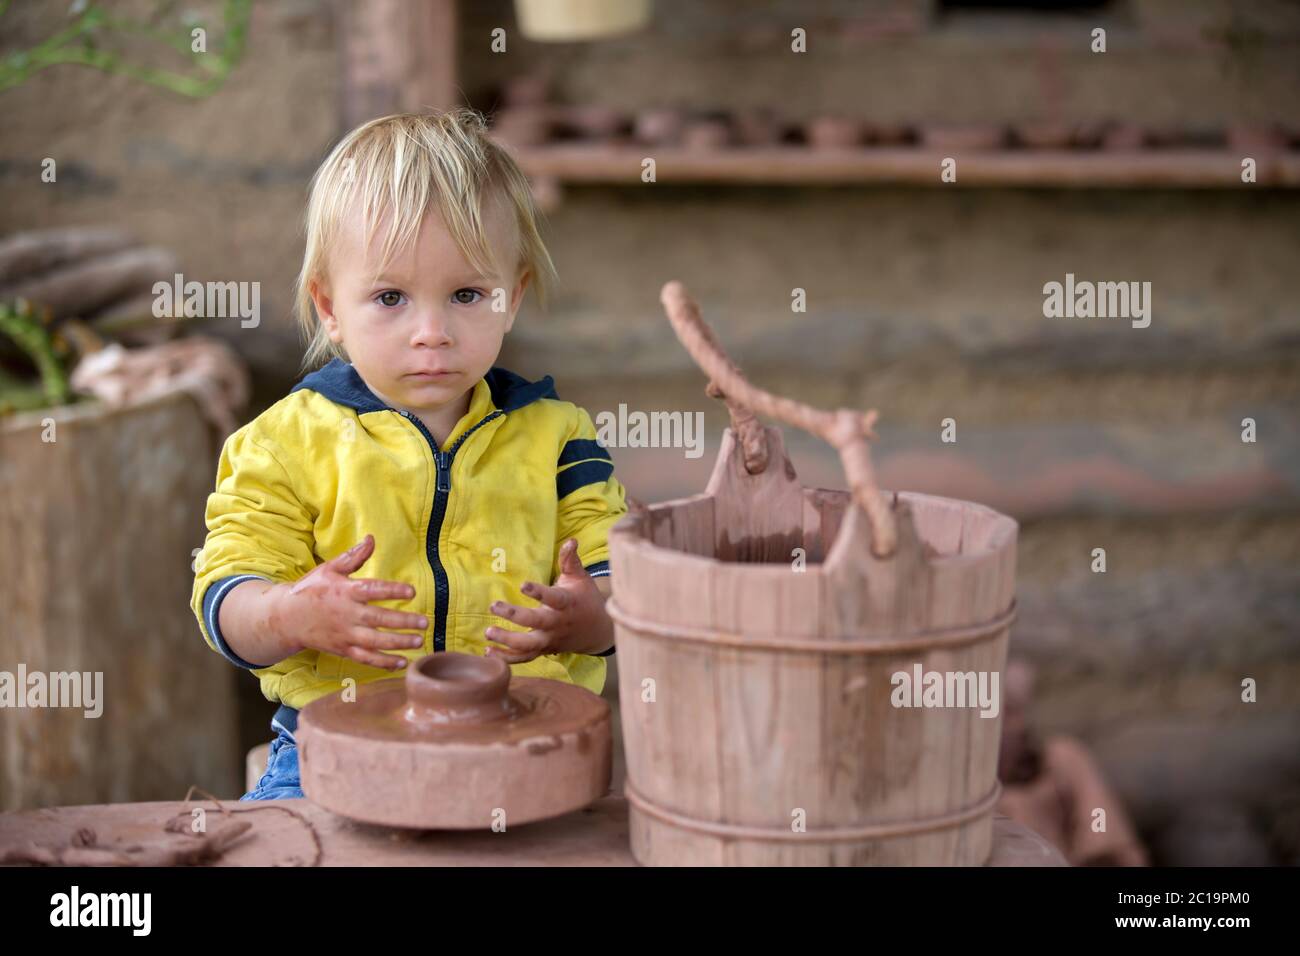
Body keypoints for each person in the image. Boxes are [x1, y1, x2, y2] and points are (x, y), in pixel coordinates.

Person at [190, 109, 627, 800]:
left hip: (525, 745)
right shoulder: (282, 443)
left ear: (510, 299)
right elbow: (224, 603)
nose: (432, 333)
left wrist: (591, 620)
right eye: (390, 297)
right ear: (330, 308)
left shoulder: (558, 439)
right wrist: (291, 613)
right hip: (334, 746)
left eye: (465, 295)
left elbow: (624, 592)